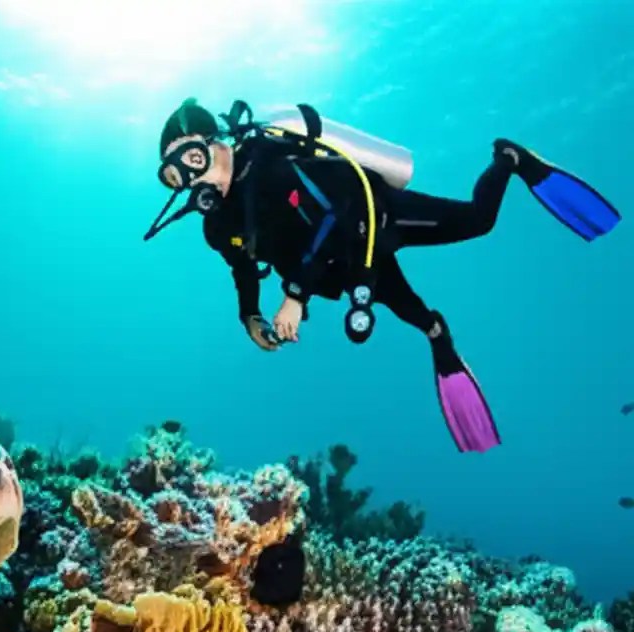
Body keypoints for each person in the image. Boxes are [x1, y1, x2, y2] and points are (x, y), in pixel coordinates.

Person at [143, 98, 621, 453]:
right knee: (411, 313)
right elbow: (242, 267)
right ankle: (440, 338)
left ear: (216, 143)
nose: (190, 178)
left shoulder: (272, 163)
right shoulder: (217, 224)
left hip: (376, 221)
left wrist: (294, 295)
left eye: (192, 159)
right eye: (174, 174)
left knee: (479, 221)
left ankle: (510, 161)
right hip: (344, 267)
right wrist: (249, 315)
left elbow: (345, 204)